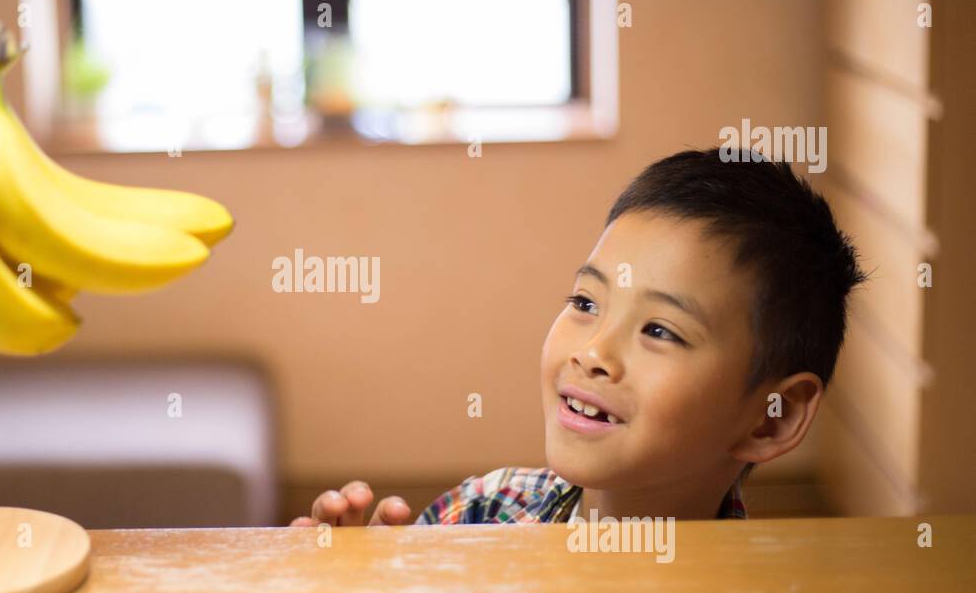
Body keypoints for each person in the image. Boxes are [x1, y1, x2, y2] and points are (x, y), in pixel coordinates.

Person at [289, 148, 867, 527]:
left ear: (772, 416)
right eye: (586, 303)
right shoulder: (485, 513)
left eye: (660, 330)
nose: (592, 353)